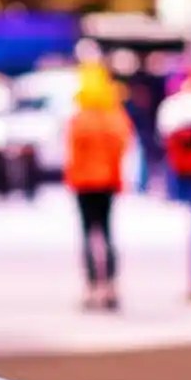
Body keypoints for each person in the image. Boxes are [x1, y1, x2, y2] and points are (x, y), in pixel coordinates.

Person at [65, 63, 134, 311]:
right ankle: (111, 287)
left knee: (87, 234)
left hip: (84, 183)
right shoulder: (114, 117)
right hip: (107, 183)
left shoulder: (79, 118)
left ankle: (92, 288)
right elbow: (123, 148)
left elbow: (72, 152)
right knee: (107, 233)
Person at [157, 72, 191, 204]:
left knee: (176, 170)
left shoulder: (173, 102)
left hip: (178, 145)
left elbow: (164, 125)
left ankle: (175, 195)